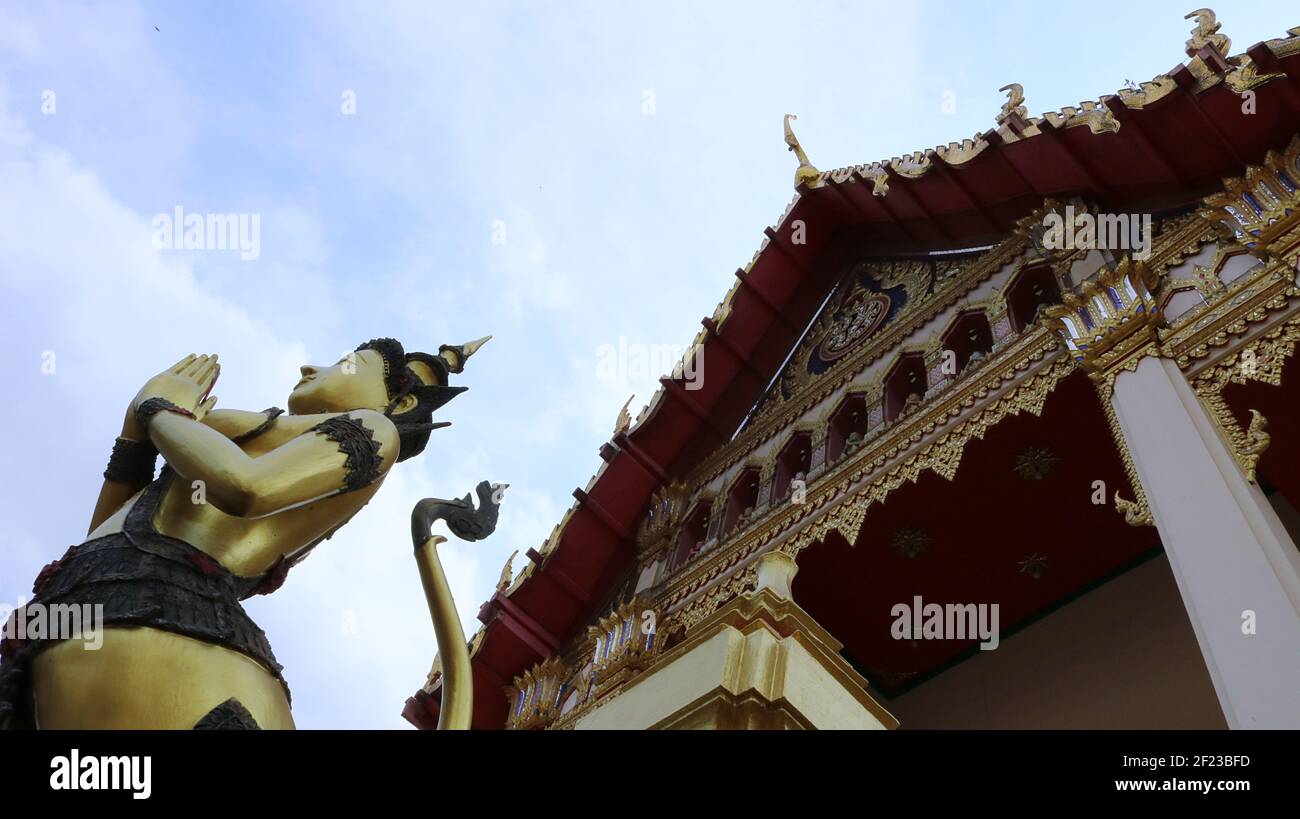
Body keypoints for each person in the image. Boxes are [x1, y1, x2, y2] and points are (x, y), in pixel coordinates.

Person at [0, 337, 485, 729]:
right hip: (87, 607)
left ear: (398, 399)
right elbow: (104, 539)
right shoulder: (238, 430)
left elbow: (247, 488)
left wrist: (159, 409)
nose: (310, 369)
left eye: (347, 362)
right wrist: (135, 434)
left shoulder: (376, 430)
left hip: (177, 631)